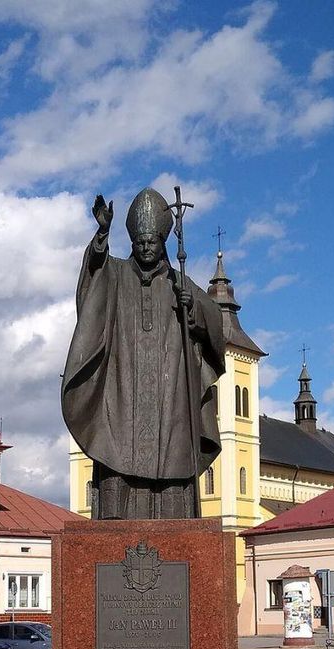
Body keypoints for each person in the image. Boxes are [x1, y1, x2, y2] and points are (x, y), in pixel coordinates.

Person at [62, 188, 226, 520]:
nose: (146, 247)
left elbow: (214, 326)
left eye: (152, 241)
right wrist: (101, 235)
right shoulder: (116, 275)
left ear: (163, 241)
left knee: (173, 461)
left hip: (170, 396)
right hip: (122, 391)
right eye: (139, 243)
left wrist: (192, 305)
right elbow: (91, 279)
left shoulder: (180, 282)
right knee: (117, 457)